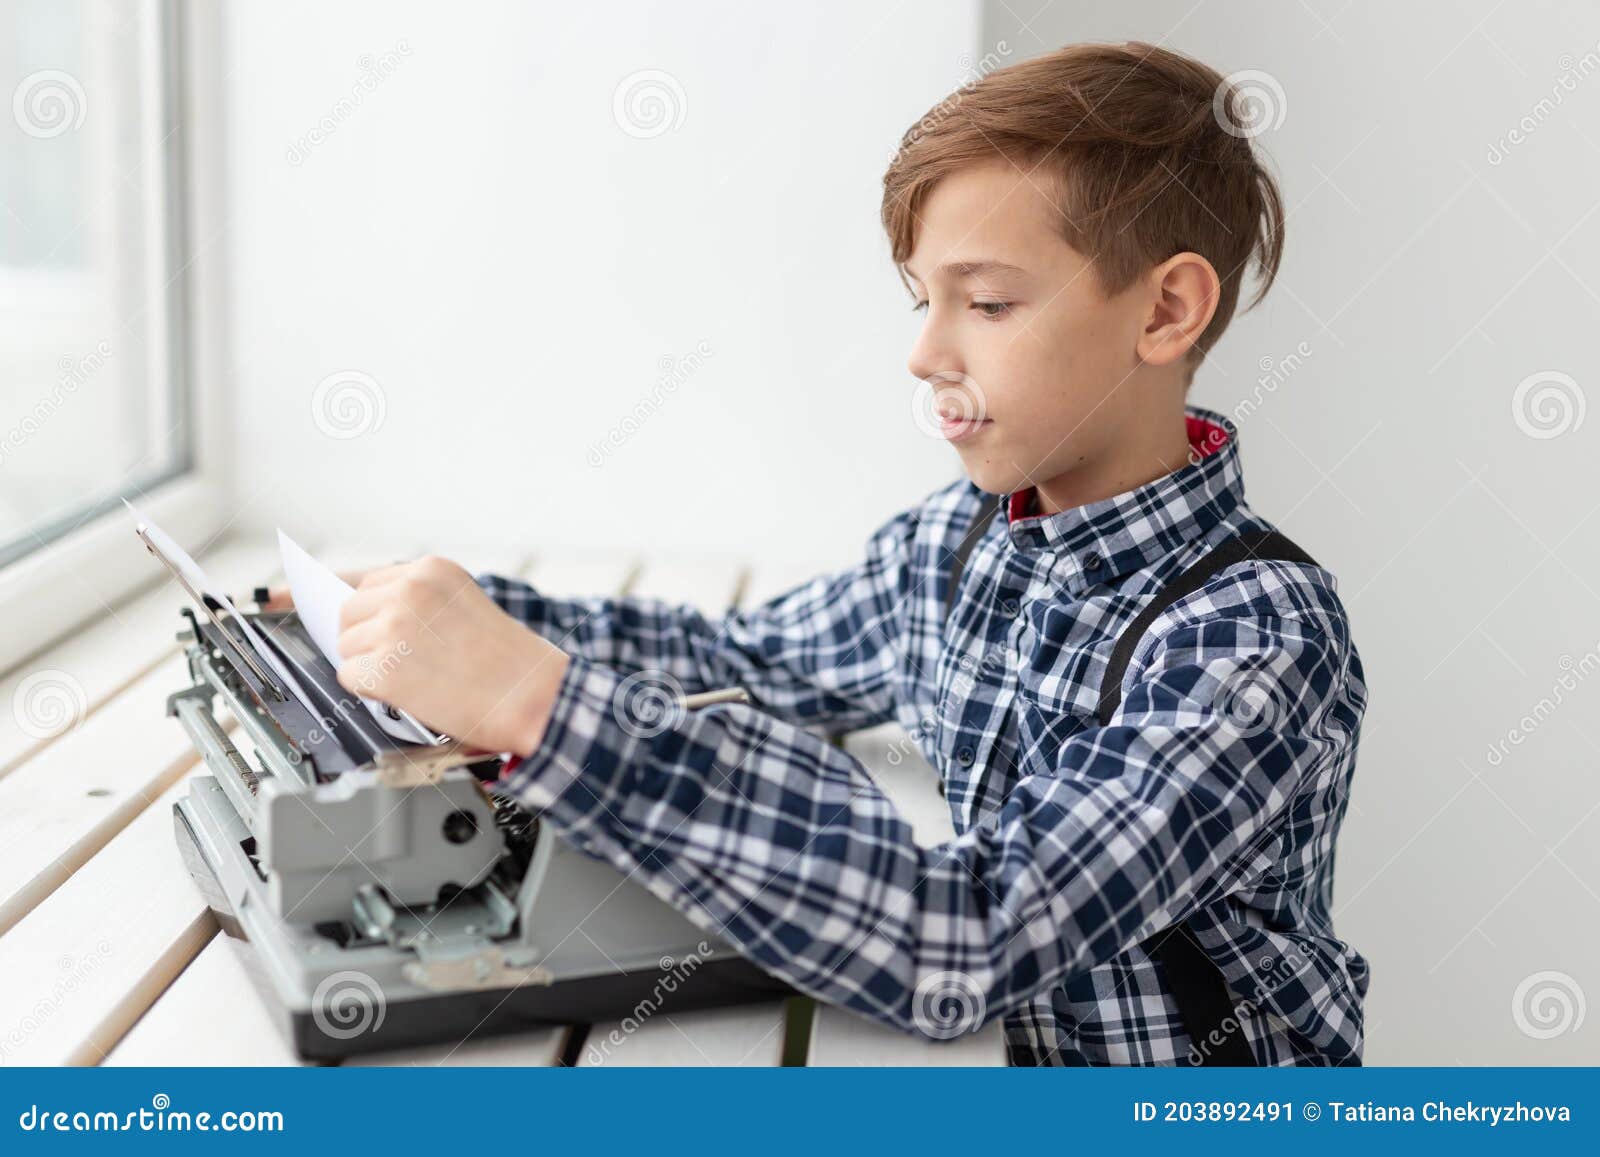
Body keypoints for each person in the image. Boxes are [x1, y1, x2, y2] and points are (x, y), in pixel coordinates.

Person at [282, 42, 1369, 1066]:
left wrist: (536, 702)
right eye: (923, 299)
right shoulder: (958, 540)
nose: (924, 352)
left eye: (986, 301)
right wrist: (460, 617)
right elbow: (754, 658)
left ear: (1166, 309)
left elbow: (968, 937)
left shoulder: (1251, 633)